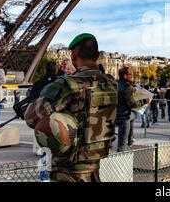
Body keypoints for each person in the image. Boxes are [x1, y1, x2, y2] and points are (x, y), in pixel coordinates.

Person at [24, 33, 118, 182]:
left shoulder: (69, 85)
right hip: (95, 163)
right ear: (97, 55)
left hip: (68, 169)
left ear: (73, 54)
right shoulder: (111, 83)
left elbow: (30, 117)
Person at [115, 67, 146, 151]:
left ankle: (131, 139)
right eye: (130, 74)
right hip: (124, 117)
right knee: (122, 145)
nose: (131, 76)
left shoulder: (115, 83)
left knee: (133, 116)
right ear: (125, 75)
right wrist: (144, 101)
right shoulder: (128, 87)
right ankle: (121, 160)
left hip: (114, 115)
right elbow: (132, 104)